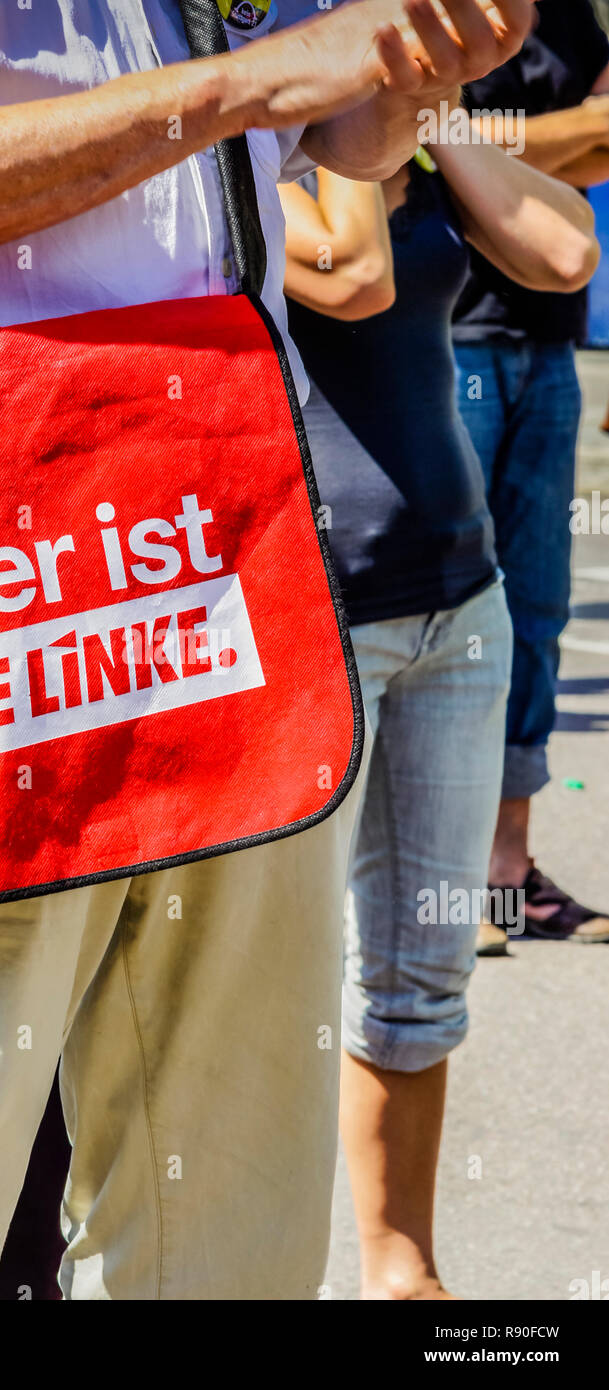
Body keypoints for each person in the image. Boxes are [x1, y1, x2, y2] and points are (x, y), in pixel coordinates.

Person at [0, 0, 537, 1303]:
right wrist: (240, 81)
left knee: (228, 1186)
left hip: (221, 551)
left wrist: (415, 62)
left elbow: (333, 155)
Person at [281, 108, 598, 1297]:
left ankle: (401, 1273)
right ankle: (248, 1261)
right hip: (305, 616)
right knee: (260, 985)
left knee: (419, 977)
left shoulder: (412, 141)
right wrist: (329, 110)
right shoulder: (246, 148)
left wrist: (429, 117)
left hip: (453, 608)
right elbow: (353, 270)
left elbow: (565, 254)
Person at [453, 0, 609, 951]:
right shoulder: (436, 13)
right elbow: (428, 149)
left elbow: (583, 153)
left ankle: (506, 878)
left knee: (536, 612)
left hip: (546, 345)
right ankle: (434, 877)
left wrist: (491, 153)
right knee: (445, 618)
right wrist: (567, 136)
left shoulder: (570, 18)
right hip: (445, 338)